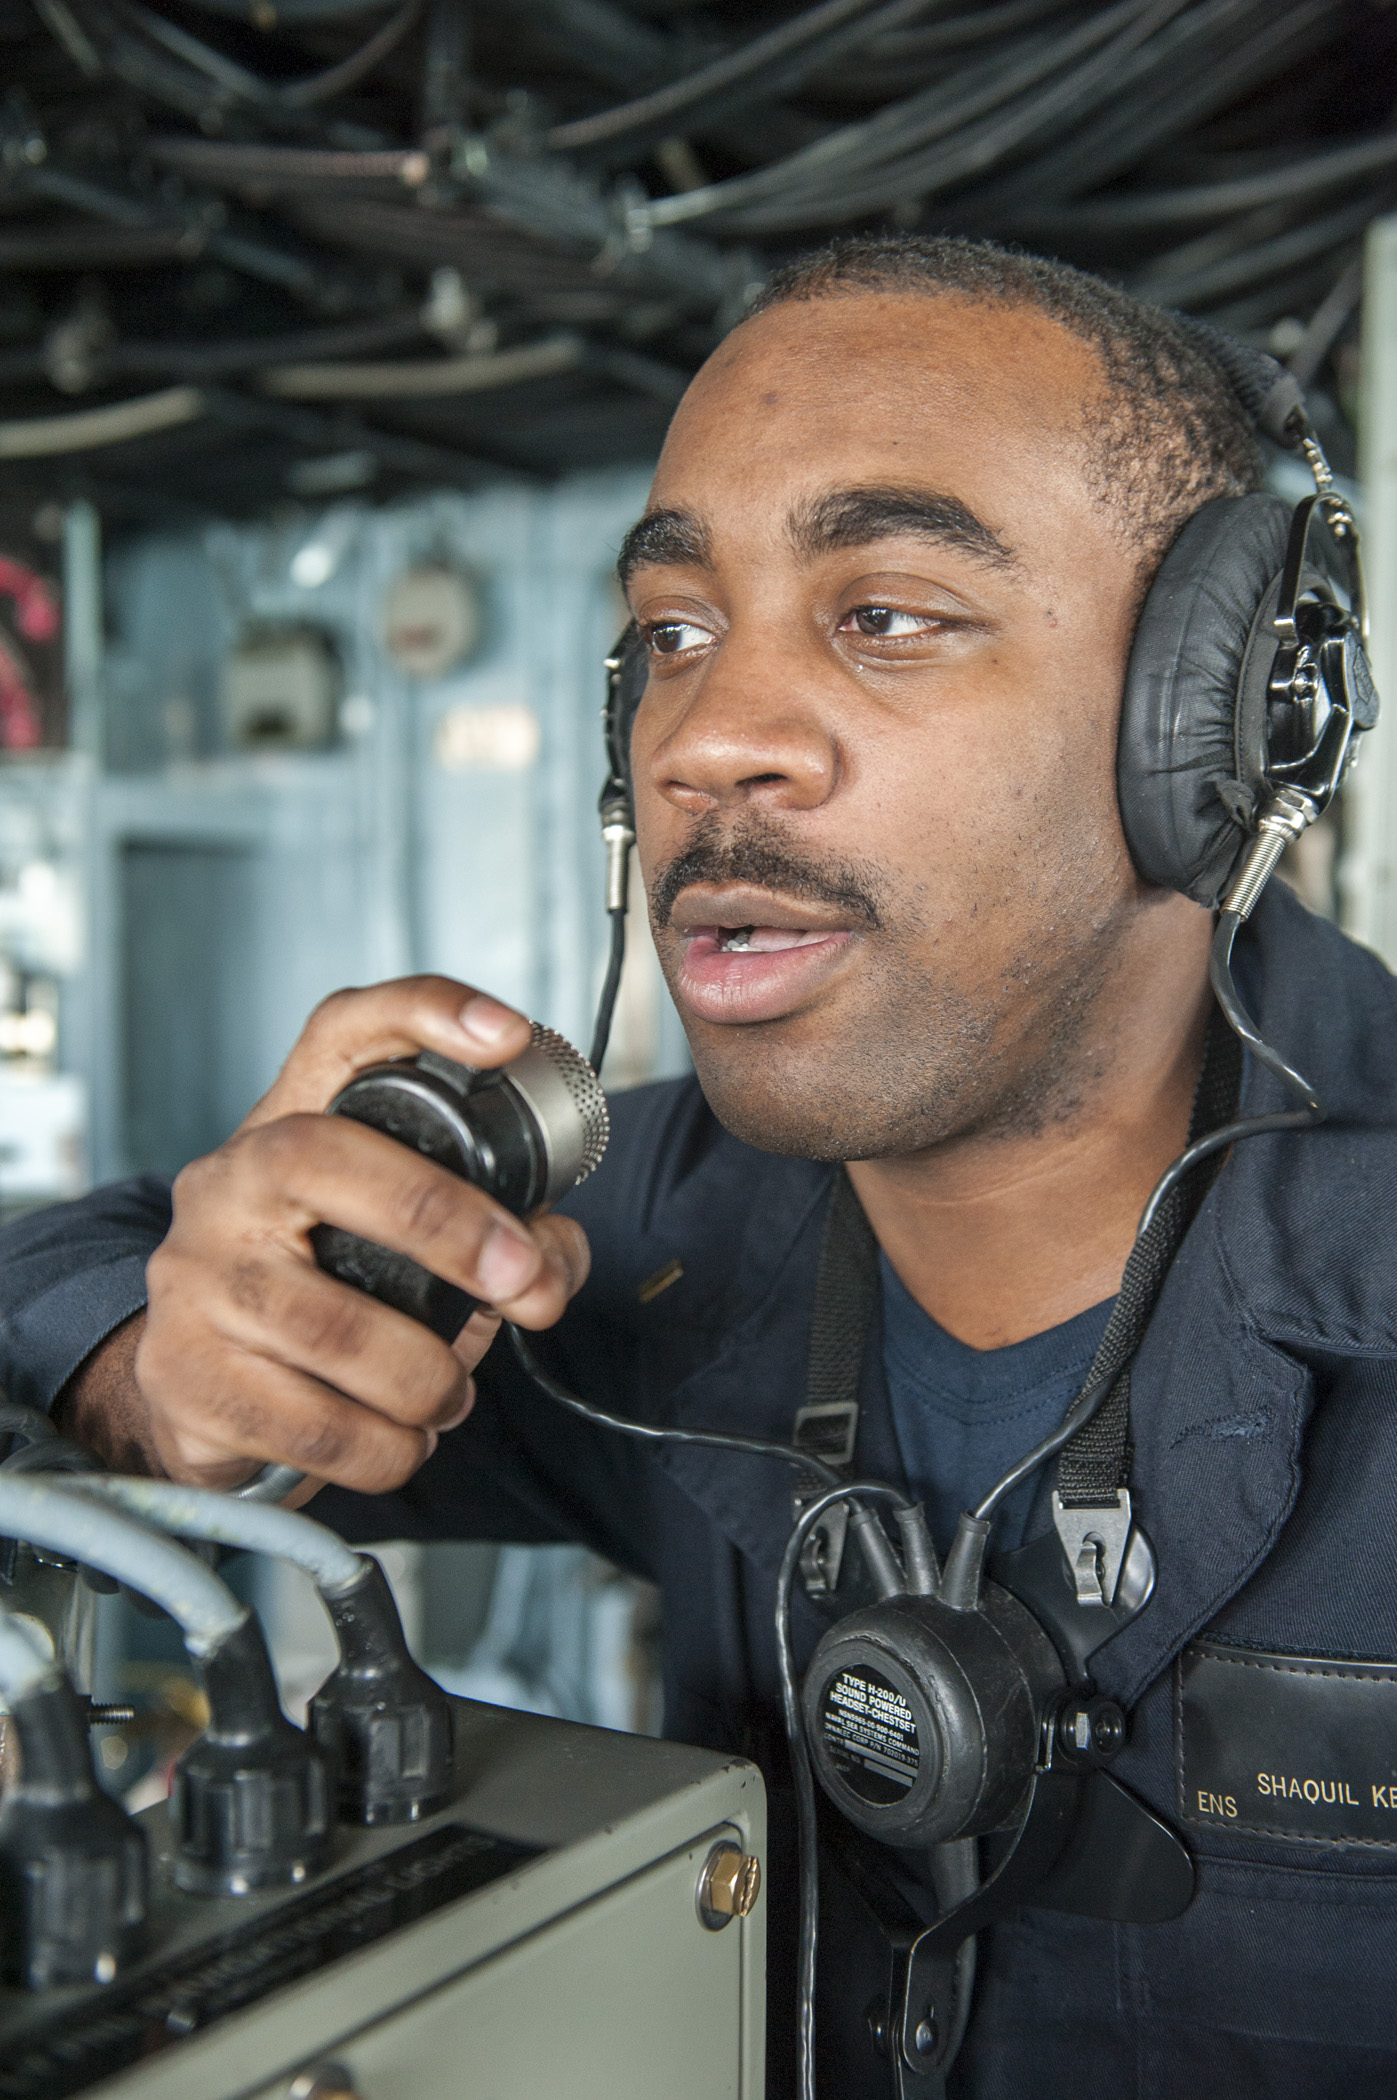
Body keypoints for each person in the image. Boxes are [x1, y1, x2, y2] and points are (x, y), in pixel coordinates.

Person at [3, 235, 1395, 2099]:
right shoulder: (652, 1227)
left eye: (886, 612)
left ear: (1216, 723)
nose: (710, 742)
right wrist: (150, 1371)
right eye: (671, 635)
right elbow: (55, 1275)